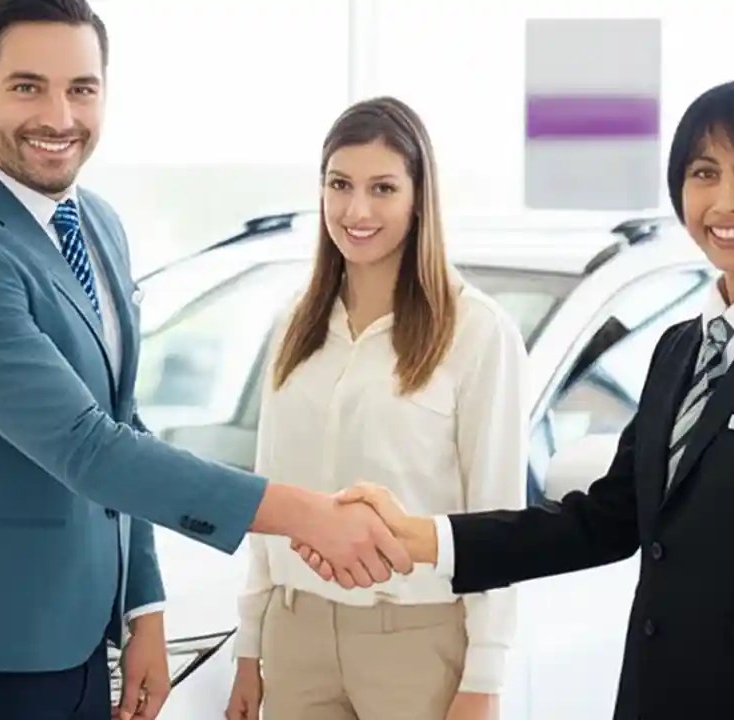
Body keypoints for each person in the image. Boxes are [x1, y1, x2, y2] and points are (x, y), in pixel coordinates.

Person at [308, 79, 734, 719]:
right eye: (703, 173)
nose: (724, 201)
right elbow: (606, 521)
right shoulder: (681, 349)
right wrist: (426, 537)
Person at [0, 2, 410, 719]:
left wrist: (143, 608)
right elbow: (87, 447)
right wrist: (307, 515)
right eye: (27, 87)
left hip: (77, 639)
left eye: (82, 88)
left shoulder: (93, 221)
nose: (59, 115)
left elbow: (121, 417)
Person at [223, 97, 528, 720]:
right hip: (296, 634)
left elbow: (497, 513)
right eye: (340, 185)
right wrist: (249, 646)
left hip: (416, 640)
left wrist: (484, 677)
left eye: (382, 188)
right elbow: (269, 490)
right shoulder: (294, 326)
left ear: (419, 199)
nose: (356, 210)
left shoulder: (477, 332)